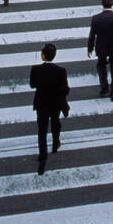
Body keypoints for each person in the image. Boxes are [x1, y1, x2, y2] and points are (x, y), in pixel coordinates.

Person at [29, 43, 69, 176]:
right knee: (55, 122)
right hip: (55, 102)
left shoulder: (35, 69)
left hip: (41, 102)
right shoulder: (61, 71)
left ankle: (42, 153)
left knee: (42, 128)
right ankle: (56, 143)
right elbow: (65, 89)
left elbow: (32, 85)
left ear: (43, 55)